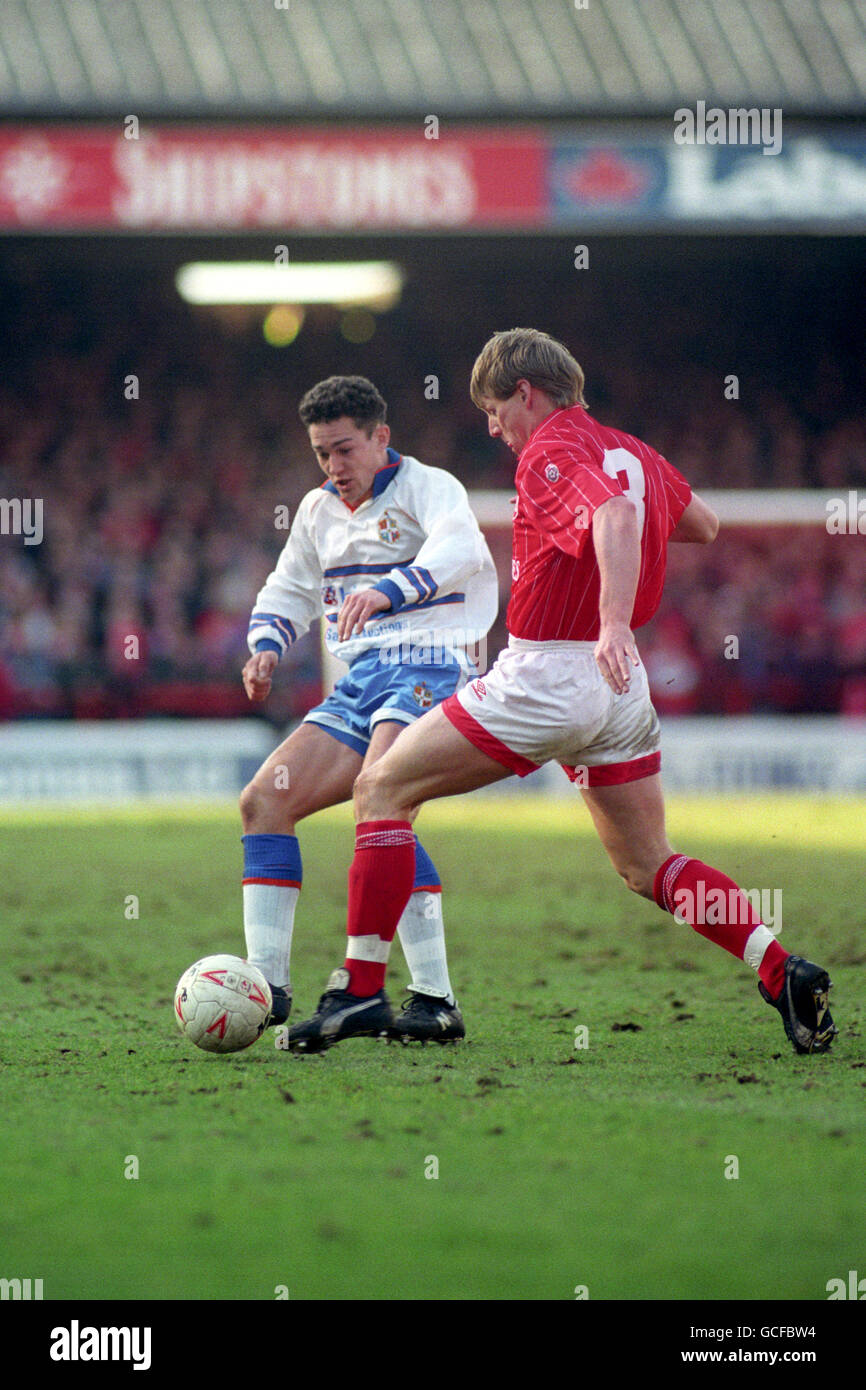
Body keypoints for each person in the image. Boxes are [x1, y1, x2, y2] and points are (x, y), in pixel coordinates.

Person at [288, 330, 836, 1057]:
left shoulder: (551, 448)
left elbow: (611, 516)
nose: (492, 428)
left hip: (550, 673)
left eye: (493, 409)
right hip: (621, 688)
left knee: (381, 786)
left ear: (526, 393)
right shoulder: (631, 450)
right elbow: (700, 523)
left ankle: (359, 990)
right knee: (648, 865)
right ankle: (780, 968)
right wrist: (617, 588)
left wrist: (608, 614)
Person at [240, 374, 498, 1043]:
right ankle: (263, 987)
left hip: (433, 661)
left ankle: (408, 995)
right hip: (362, 678)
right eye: (323, 452)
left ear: (382, 437)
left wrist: (392, 590)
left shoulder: (428, 486)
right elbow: (289, 586)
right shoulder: (317, 509)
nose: (334, 466)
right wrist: (266, 645)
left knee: (379, 800)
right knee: (265, 801)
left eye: (346, 449)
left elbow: (465, 548)